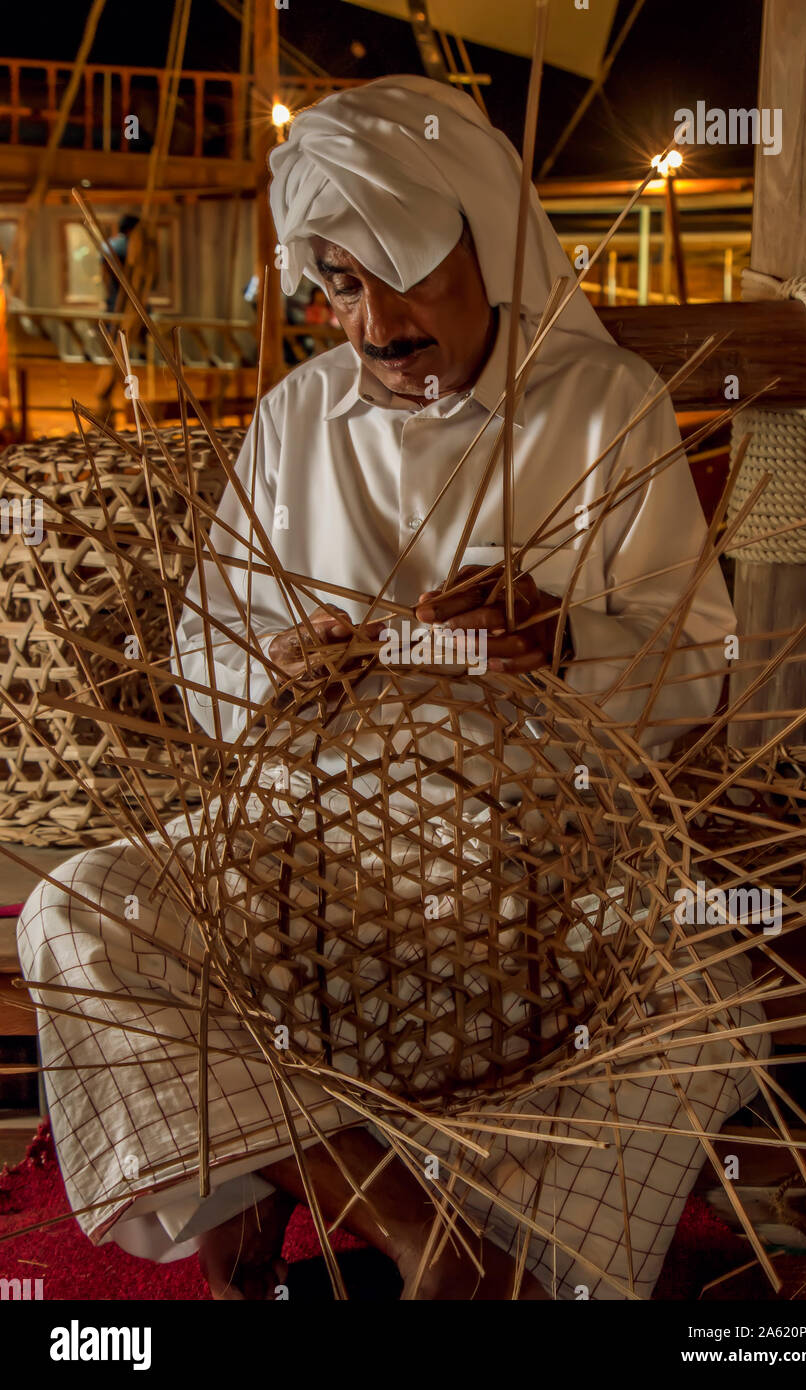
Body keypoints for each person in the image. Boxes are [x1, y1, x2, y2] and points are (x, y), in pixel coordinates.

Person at [19, 77, 767, 1301]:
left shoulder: (598, 407)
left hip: (543, 849)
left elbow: (696, 668)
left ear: (482, 232)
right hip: (312, 843)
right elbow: (210, 639)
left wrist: (567, 635)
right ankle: (423, 1236)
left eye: (393, 273)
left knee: (693, 1000)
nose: (368, 323)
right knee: (84, 908)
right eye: (337, 286)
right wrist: (273, 672)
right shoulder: (292, 419)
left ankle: (417, 1223)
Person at [103, 215, 140, 313]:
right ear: (130, 230)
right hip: (124, 297)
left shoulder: (109, 244)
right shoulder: (128, 246)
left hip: (116, 296)